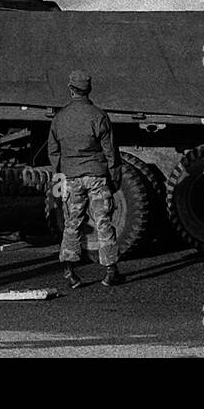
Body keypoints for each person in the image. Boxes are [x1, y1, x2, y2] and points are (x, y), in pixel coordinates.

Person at [49, 69, 124, 289]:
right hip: (96, 175)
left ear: (71, 89)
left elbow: (53, 151)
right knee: (103, 221)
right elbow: (110, 150)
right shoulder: (98, 116)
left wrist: (59, 175)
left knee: (72, 222)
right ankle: (110, 270)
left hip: (71, 176)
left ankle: (70, 272)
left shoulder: (60, 118)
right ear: (89, 90)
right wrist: (114, 173)